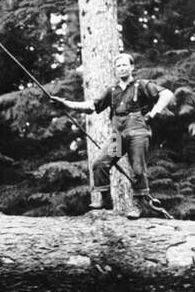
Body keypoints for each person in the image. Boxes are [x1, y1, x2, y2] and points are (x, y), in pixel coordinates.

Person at [53, 52, 174, 219]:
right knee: (100, 163)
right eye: (118, 66)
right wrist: (65, 103)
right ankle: (105, 200)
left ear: (132, 67)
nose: (121, 68)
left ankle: (138, 206)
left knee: (138, 169)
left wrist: (153, 113)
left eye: (125, 65)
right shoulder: (112, 91)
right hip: (119, 136)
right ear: (115, 70)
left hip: (137, 132)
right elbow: (91, 106)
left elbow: (166, 94)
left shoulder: (141, 85)